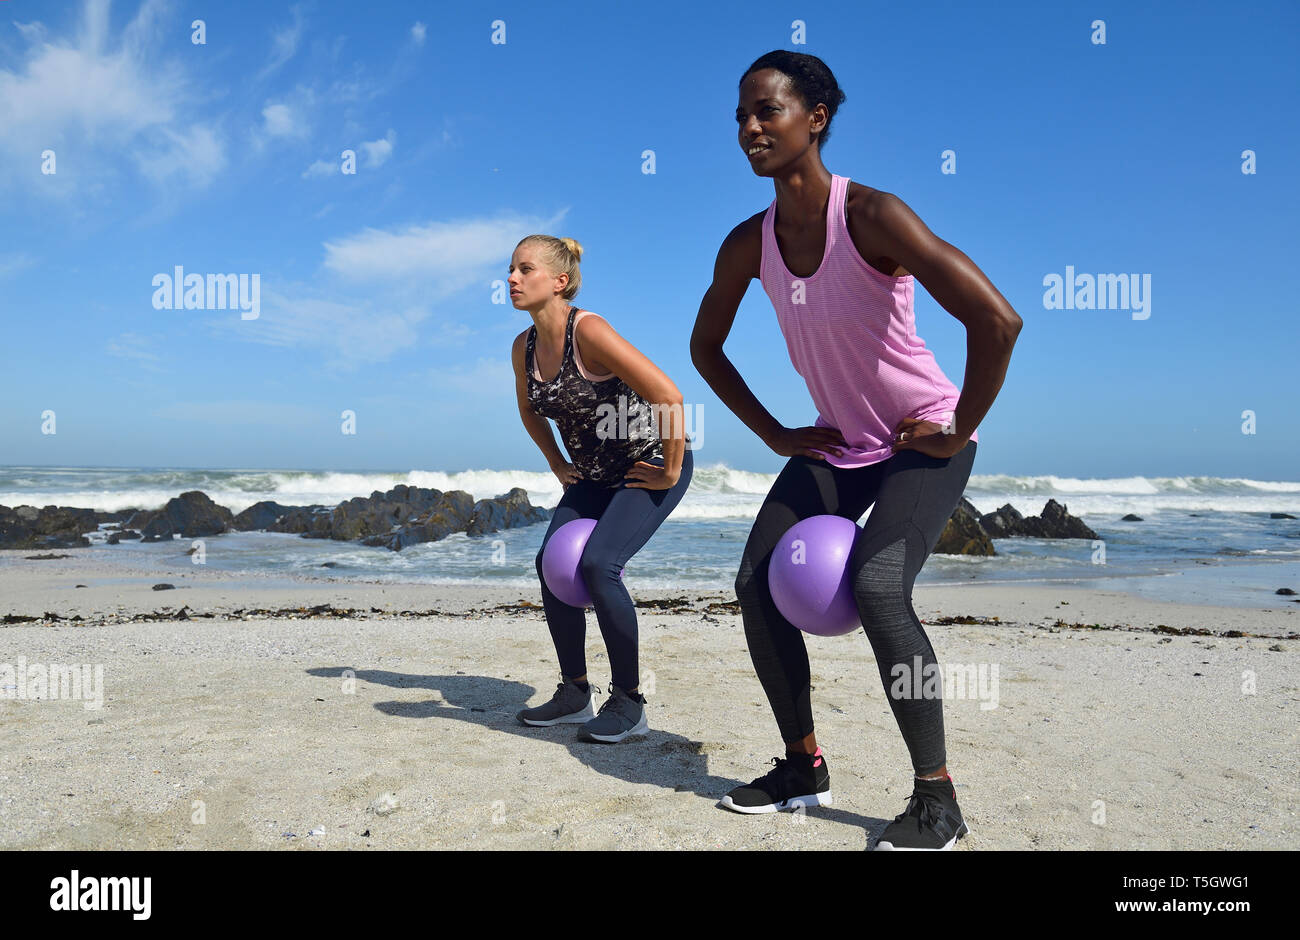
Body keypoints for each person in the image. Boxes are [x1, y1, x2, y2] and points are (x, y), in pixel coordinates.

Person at [690, 51, 1022, 848]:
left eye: (767, 111)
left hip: (922, 439)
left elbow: (998, 321)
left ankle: (936, 798)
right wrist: (774, 433)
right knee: (756, 581)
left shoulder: (872, 216)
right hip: (841, 446)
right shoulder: (749, 243)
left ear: (817, 118)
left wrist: (955, 427)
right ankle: (802, 766)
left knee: (877, 585)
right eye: (741, 114)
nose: (749, 128)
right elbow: (706, 347)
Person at [510, 234, 693, 743]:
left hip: (644, 465)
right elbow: (529, 407)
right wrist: (556, 462)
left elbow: (668, 395)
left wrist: (670, 469)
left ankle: (629, 703)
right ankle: (574, 692)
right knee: (551, 564)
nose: (512, 278)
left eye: (526, 269)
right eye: (511, 269)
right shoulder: (523, 347)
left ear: (559, 282)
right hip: (591, 474)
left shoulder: (587, 330)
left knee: (598, 565)